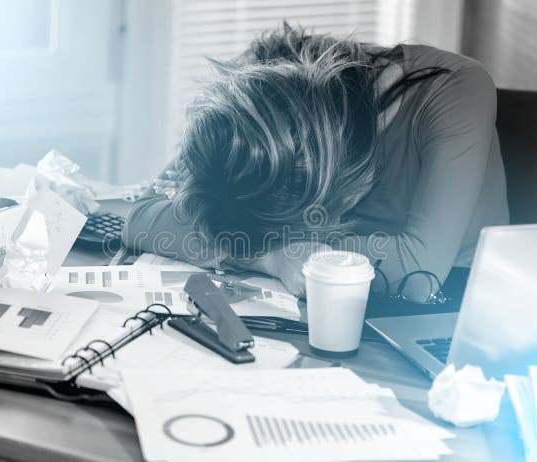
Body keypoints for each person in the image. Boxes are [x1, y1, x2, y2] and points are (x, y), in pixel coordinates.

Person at [123, 24, 509, 300]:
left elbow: (417, 272)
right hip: (303, 294)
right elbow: (141, 219)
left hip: (446, 304)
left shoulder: (458, 88)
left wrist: (259, 249)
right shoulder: (259, 77)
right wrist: (274, 257)